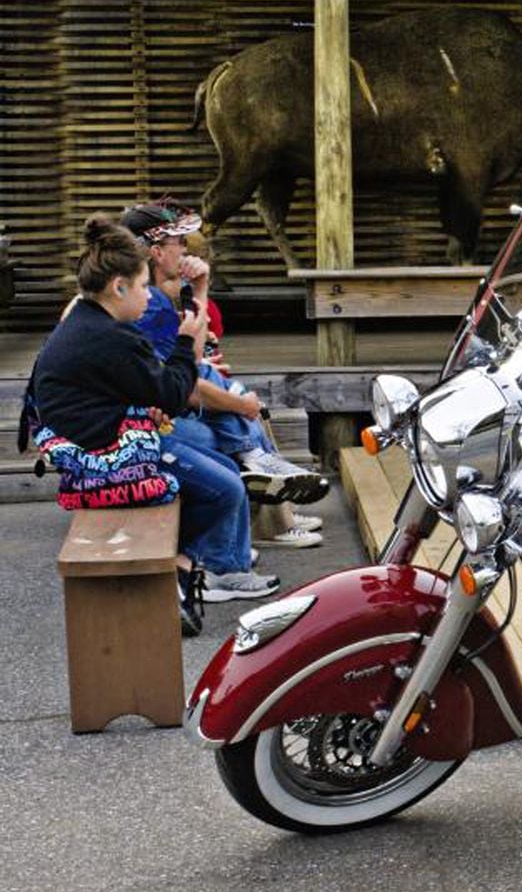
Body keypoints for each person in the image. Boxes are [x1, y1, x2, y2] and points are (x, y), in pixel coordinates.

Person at [29, 216, 279, 632]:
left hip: (104, 435)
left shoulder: (93, 325)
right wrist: (186, 339)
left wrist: (148, 402)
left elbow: (145, 390)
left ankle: (183, 569)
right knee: (225, 488)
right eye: (142, 286)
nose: (147, 295)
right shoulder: (109, 336)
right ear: (119, 287)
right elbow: (172, 391)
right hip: (103, 454)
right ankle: (183, 566)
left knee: (224, 473)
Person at [118, 201, 330, 507]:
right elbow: (186, 382)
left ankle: (259, 473)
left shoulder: (151, 298)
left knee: (224, 391)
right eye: (180, 242)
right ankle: (257, 473)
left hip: (147, 412)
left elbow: (189, 362)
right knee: (225, 420)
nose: (185, 251)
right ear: (157, 252)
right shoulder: (149, 305)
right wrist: (241, 404)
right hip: (129, 429)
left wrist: (200, 288)